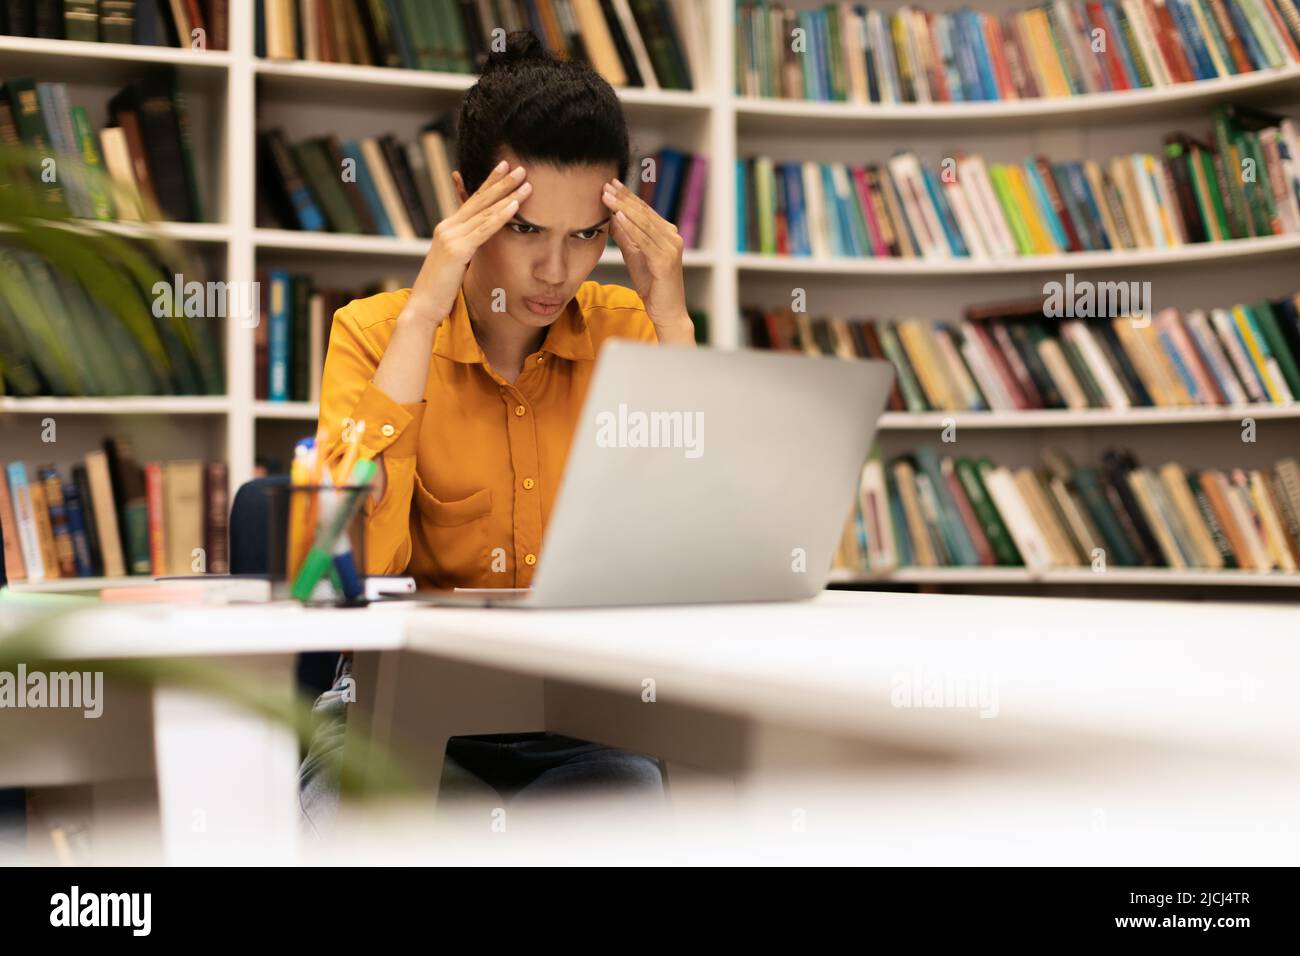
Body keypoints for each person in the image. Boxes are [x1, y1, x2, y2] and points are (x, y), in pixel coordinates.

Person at [300, 30, 694, 835]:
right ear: (463, 203)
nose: (557, 271)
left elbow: (687, 553)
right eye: (525, 230)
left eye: (586, 235)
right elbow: (347, 572)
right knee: (383, 827)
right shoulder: (373, 336)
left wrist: (675, 317)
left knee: (622, 824)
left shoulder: (631, 334)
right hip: (392, 708)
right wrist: (423, 308)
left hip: (579, 719)